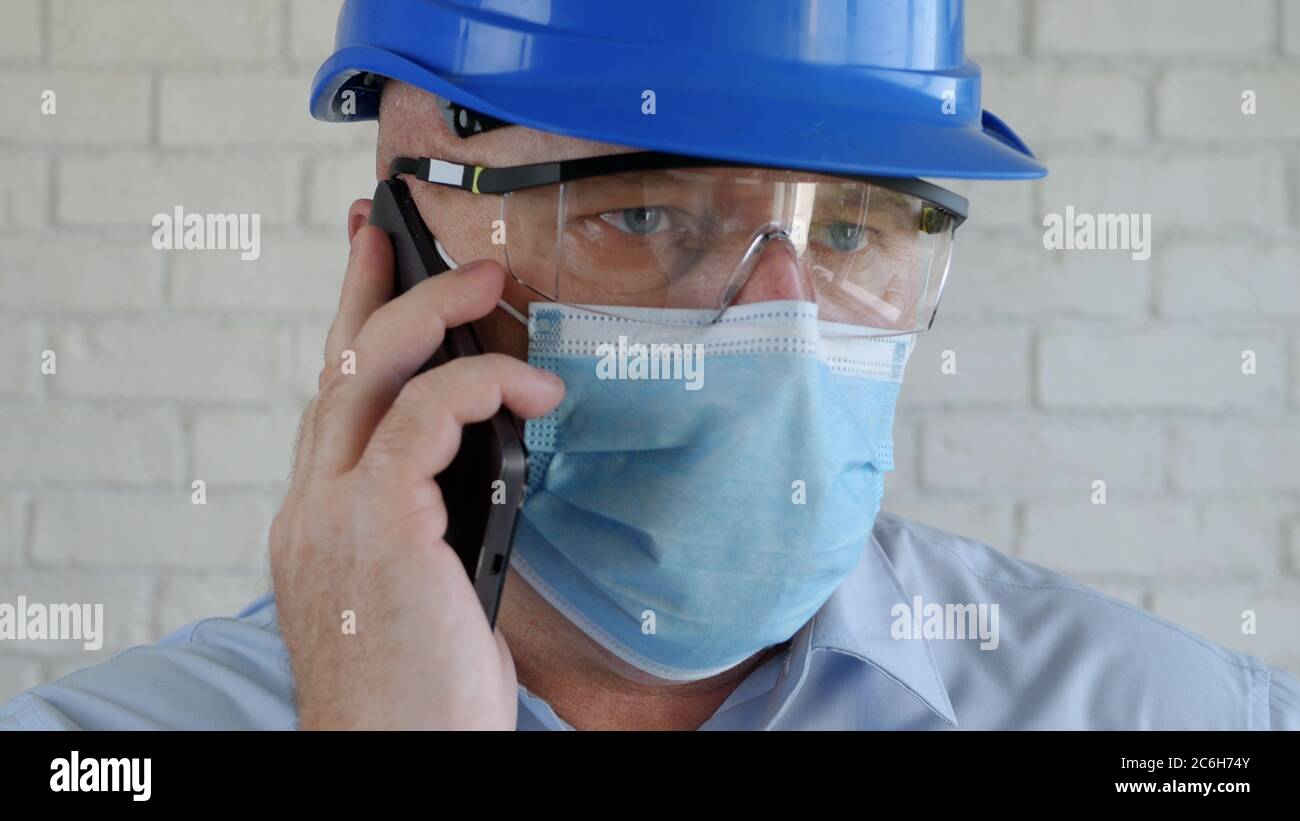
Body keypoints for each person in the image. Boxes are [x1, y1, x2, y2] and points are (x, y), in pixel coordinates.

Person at [3, 0, 1296, 731]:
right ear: (397, 264)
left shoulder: (1178, 725)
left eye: (853, 229)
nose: (785, 329)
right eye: (642, 217)